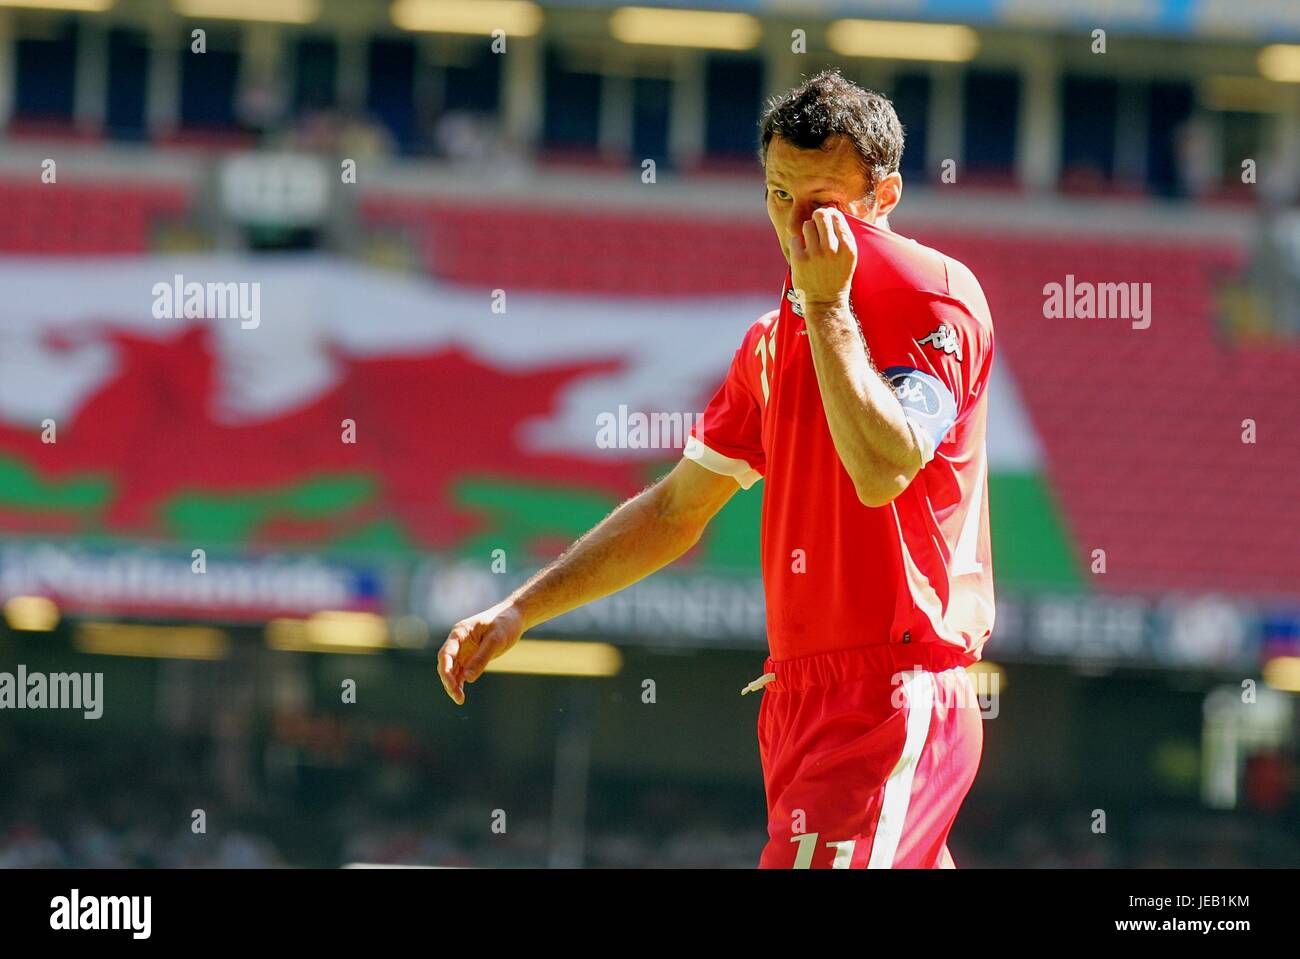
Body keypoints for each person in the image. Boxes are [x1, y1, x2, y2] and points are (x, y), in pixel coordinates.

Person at [437, 70, 995, 869]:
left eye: (823, 203)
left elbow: (885, 467)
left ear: (885, 196)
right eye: (777, 193)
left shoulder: (930, 294)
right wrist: (521, 609)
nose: (797, 222)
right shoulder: (771, 342)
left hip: (887, 694)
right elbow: (674, 513)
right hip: (801, 698)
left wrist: (830, 306)